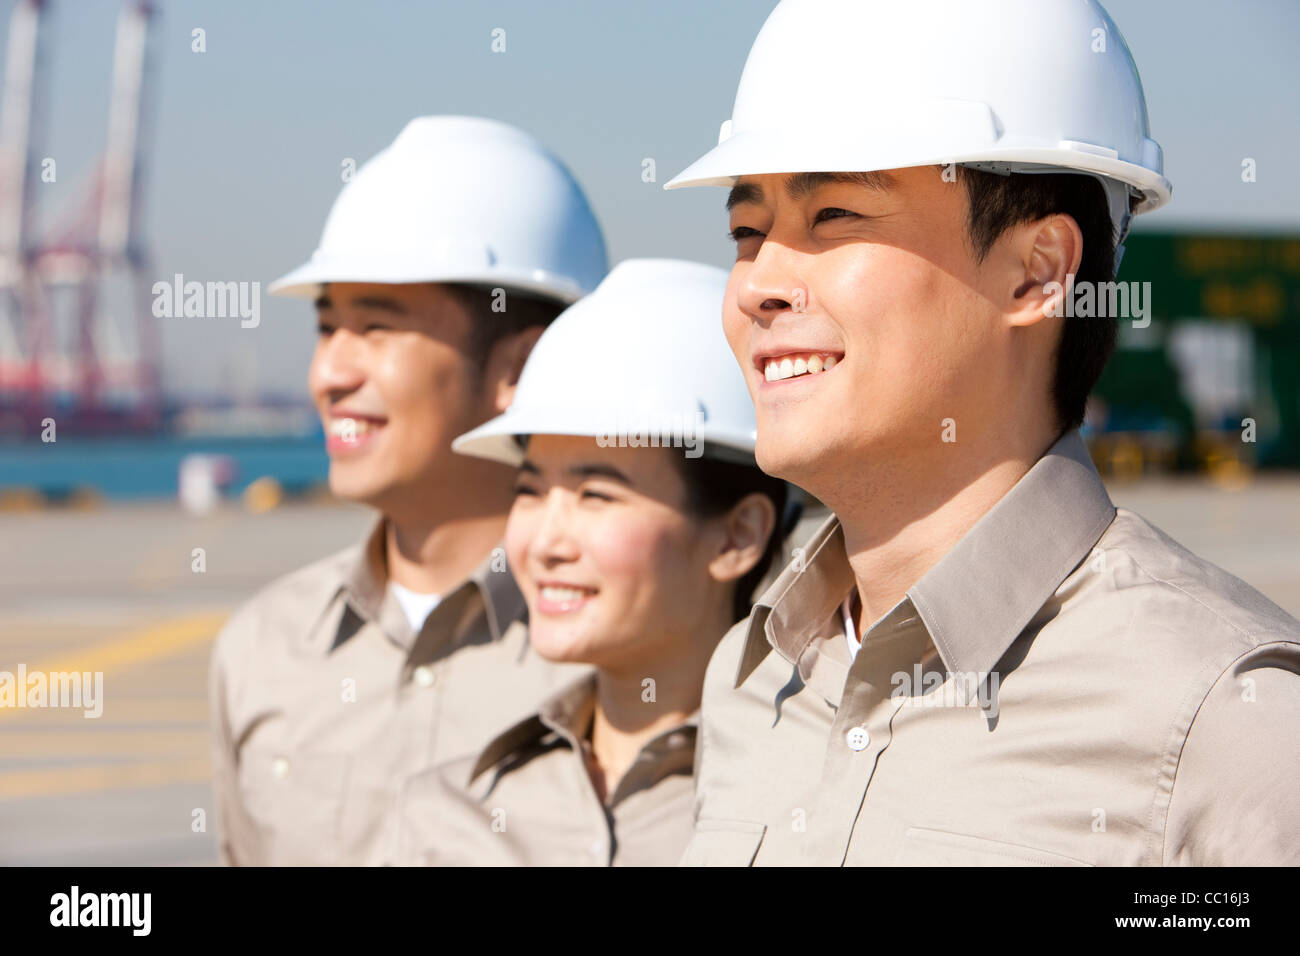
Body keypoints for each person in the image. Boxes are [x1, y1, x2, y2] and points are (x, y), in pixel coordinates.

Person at [663, 0, 1300, 865]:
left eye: (835, 217)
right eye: (747, 231)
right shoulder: (753, 679)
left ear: (1038, 272)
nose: (757, 286)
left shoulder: (1225, 721)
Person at [209, 116, 608, 865]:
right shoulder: (260, 651)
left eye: (377, 327)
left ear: (521, 367)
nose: (330, 374)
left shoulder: (631, 652)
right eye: (329, 328)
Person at [390, 259, 790, 866]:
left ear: (737, 535)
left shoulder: (808, 808)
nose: (545, 542)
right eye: (528, 491)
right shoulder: (449, 812)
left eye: (596, 495)